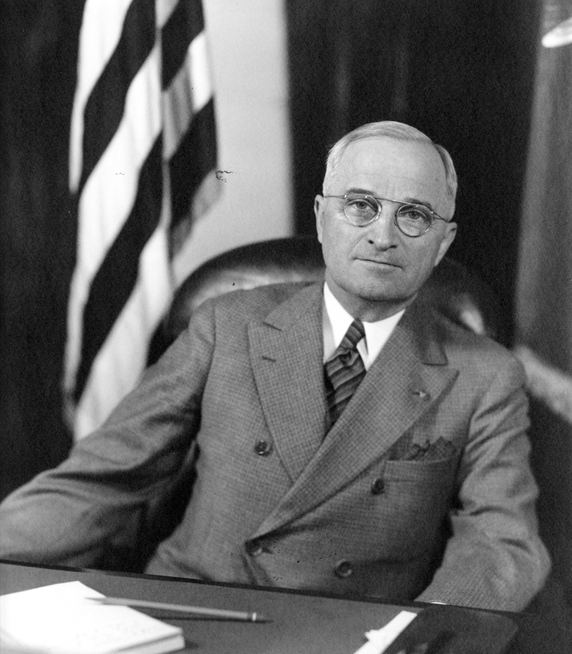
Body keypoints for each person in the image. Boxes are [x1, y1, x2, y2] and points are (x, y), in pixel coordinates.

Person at [0, 121, 550, 610]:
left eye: (414, 215)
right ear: (321, 216)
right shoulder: (226, 326)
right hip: (190, 609)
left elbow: (502, 542)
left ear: (442, 240)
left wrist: (410, 644)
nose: (382, 236)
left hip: (347, 639)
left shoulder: (486, 375)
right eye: (360, 205)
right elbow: (101, 479)